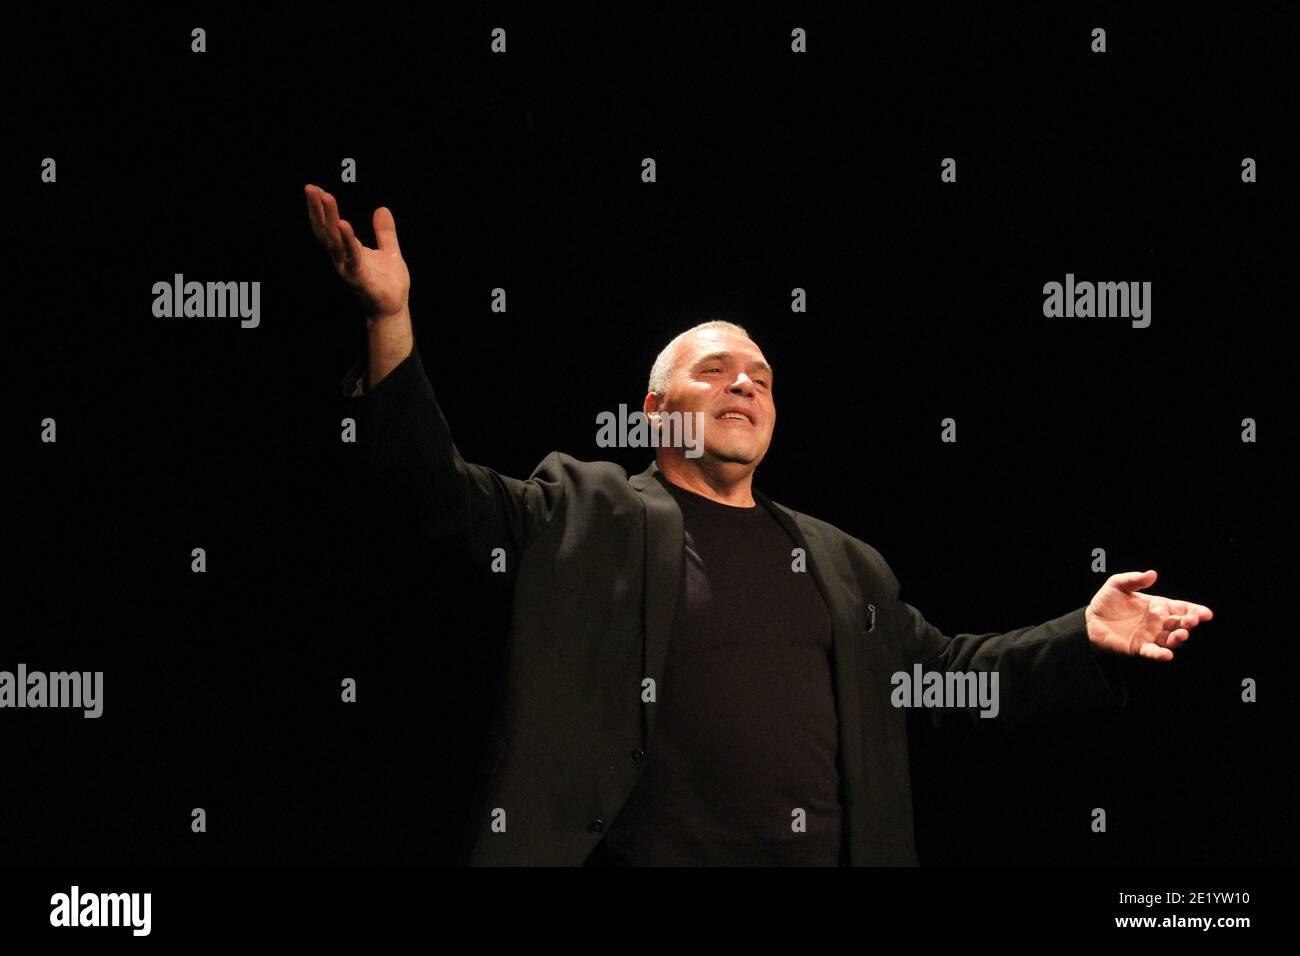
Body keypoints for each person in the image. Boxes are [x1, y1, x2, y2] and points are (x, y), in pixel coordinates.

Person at [305, 184, 1215, 866]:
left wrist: (1082, 636)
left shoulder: (846, 564)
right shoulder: (584, 512)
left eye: (762, 376)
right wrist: (391, 320)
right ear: (655, 409)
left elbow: (947, 677)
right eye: (715, 370)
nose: (744, 382)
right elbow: (430, 494)